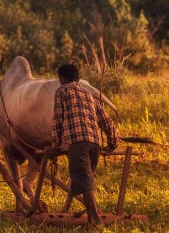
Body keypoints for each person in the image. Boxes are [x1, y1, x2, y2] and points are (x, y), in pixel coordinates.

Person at [50, 63, 118, 224]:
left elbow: (58, 120)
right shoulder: (89, 95)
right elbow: (106, 121)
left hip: (78, 143)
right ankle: (91, 218)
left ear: (62, 79)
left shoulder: (62, 91)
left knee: (85, 183)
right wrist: (112, 143)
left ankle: (94, 220)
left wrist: (55, 145)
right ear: (78, 78)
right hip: (95, 144)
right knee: (84, 180)